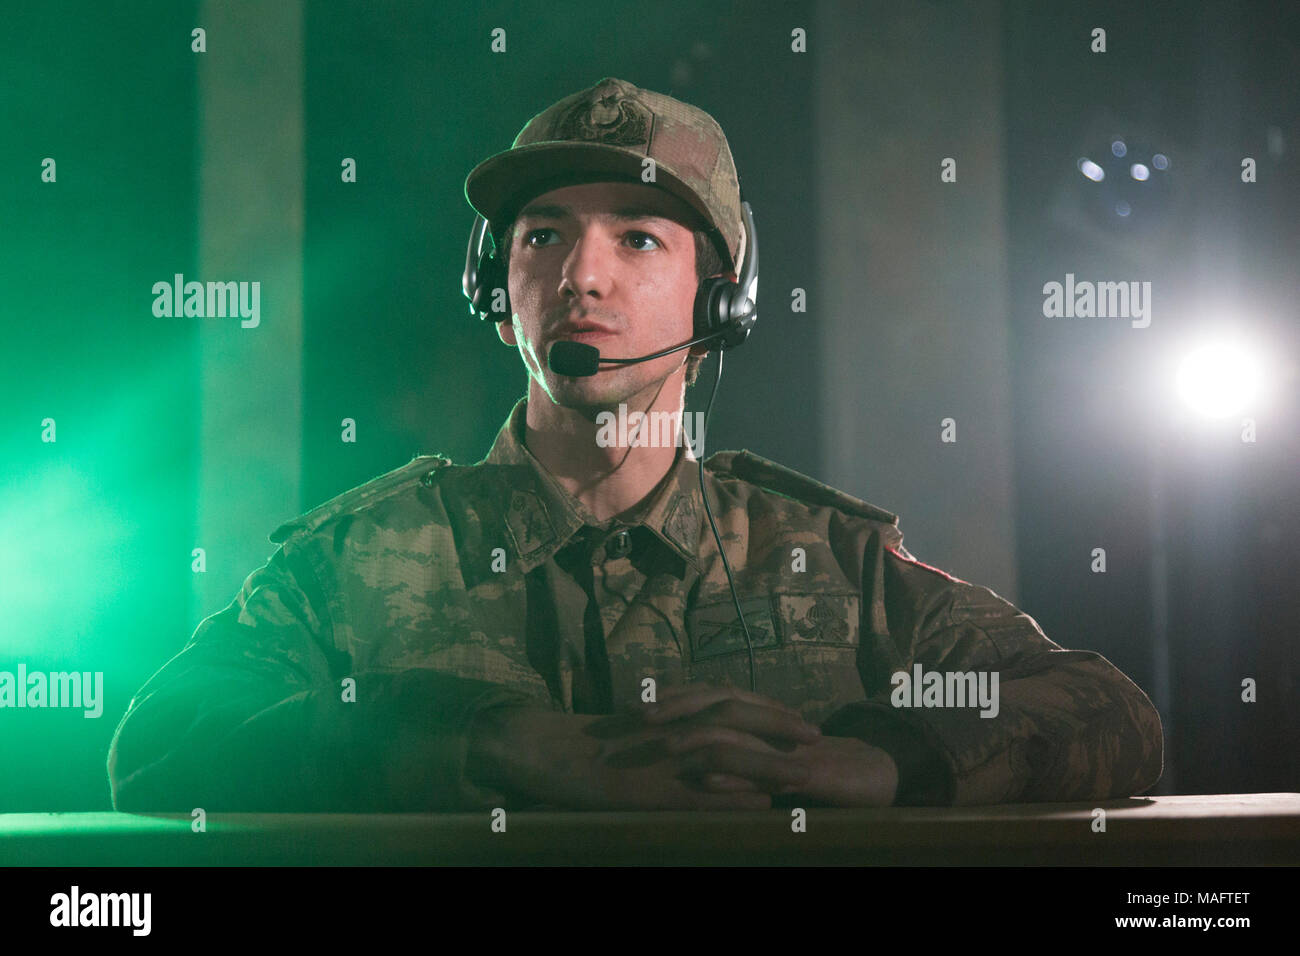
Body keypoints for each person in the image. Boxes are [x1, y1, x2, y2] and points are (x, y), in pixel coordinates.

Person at [107, 77, 1163, 813]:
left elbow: (1106, 708)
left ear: (723, 298)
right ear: (496, 285)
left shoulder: (832, 563)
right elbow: (167, 734)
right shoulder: (362, 558)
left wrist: (884, 757)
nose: (582, 275)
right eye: (543, 233)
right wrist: (497, 740)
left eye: (639, 236)